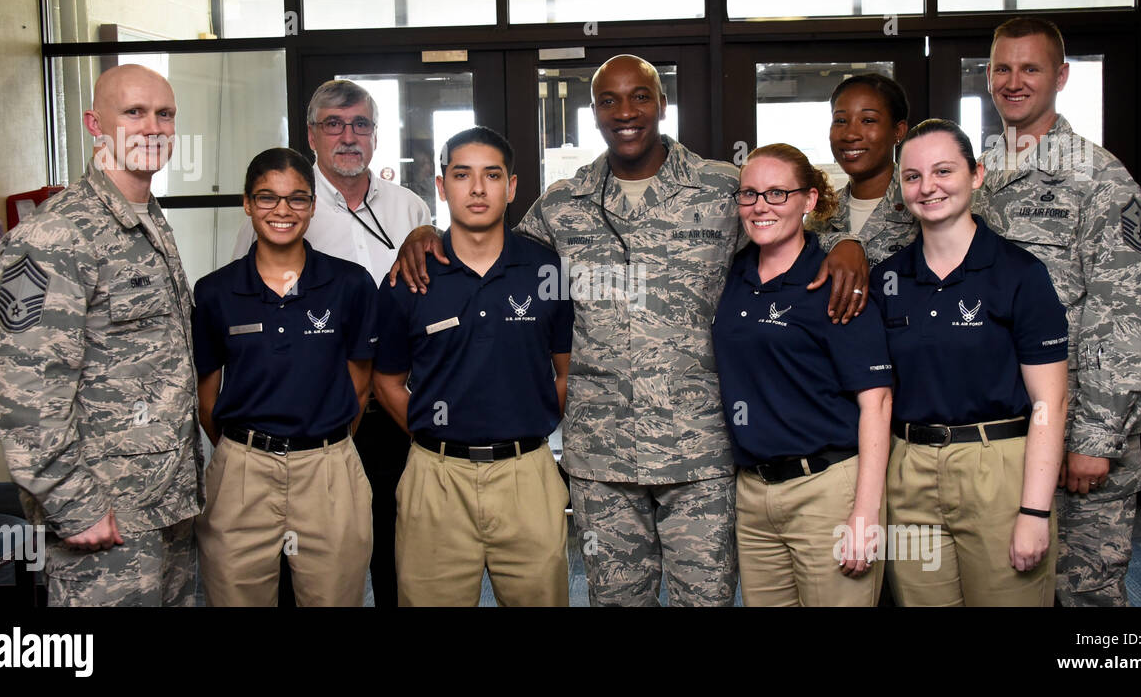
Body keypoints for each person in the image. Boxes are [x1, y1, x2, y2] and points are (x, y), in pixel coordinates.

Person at [392, 55, 873, 607]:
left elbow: (791, 223)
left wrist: (845, 244)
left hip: (701, 453)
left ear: (662, 103)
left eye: (640, 97)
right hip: (602, 459)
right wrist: (424, 231)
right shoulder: (562, 204)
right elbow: (487, 241)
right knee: (616, 601)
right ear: (593, 111)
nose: (626, 112)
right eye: (609, 100)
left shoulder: (719, 187)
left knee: (707, 600)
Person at [0, 64, 202, 606]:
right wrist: (73, 505)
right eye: (134, 112)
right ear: (94, 123)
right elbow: (27, 393)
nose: (152, 127)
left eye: (165, 114)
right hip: (103, 517)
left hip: (166, 504)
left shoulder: (150, 219)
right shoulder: (55, 233)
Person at [231, 80, 430, 607]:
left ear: (376, 136)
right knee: (300, 566)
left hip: (391, 406)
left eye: (360, 124)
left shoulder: (410, 208)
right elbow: (242, 305)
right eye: (334, 125)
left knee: (396, 547)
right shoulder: (284, 204)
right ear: (312, 134)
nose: (348, 137)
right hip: (311, 420)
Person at [978, 17, 1141, 607]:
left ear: (1061, 76)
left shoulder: (1101, 181)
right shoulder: (977, 175)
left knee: (1085, 595)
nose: (1014, 81)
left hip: (1077, 423)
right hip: (1002, 429)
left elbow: (1122, 316)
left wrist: (1097, 440)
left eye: (1031, 68)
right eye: (1003, 68)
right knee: (1008, 585)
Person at [871, 119, 1069, 606]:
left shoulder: (1020, 275)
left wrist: (1034, 512)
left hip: (997, 470)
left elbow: (1051, 401)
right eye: (913, 176)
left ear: (976, 174)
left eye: (944, 171)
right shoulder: (887, 279)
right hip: (910, 471)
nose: (928, 187)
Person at [374, 127, 573, 606]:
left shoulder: (547, 270)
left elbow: (565, 372)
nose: (478, 189)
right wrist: (433, 436)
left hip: (527, 475)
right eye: (462, 175)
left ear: (512, 186)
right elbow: (386, 381)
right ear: (442, 187)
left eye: (492, 175)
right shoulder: (410, 277)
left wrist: (523, 423)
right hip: (435, 479)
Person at [192, 147, 378, 607]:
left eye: (297, 199)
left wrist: (322, 442)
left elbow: (361, 380)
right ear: (248, 203)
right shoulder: (215, 291)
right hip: (241, 471)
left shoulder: (350, 284)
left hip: (329, 468)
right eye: (268, 198)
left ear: (312, 206)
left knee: (335, 598)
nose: (282, 210)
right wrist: (243, 452)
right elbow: (206, 392)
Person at [713, 144, 893, 607]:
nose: (761, 206)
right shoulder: (731, 275)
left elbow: (877, 401)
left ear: (809, 200)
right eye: (749, 194)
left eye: (777, 193)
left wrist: (866, 513)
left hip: (827, 488)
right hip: (754, 494)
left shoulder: (834, 279)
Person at [819, 73, 918, 266]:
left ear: (898, 131)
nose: (850, 135)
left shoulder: (924, 205)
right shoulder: (821, 214)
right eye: (840, 121)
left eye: (868, 120)